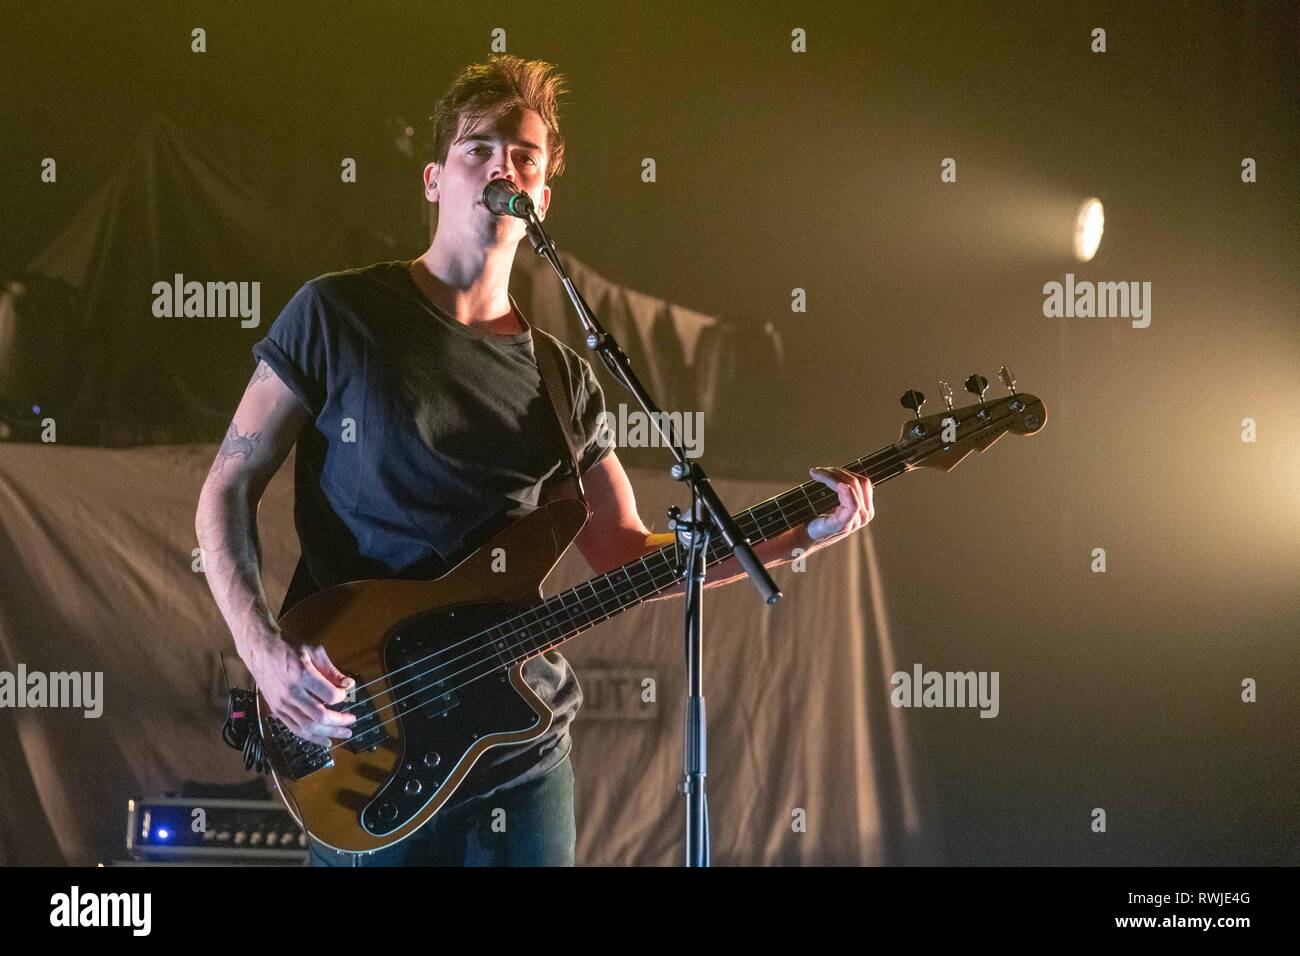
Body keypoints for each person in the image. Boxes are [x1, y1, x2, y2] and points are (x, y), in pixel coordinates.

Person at [194, 54, 874, 867]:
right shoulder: (339, 313)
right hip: (367, 726)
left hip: (518, 740)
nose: (501, 166)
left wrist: (798, 535)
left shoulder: (564, 377)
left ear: (542, 198)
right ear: (433, 179)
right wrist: (263, 654)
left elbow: (624, 550)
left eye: (524, 156)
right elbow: (227, 487)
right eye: (477, 148)